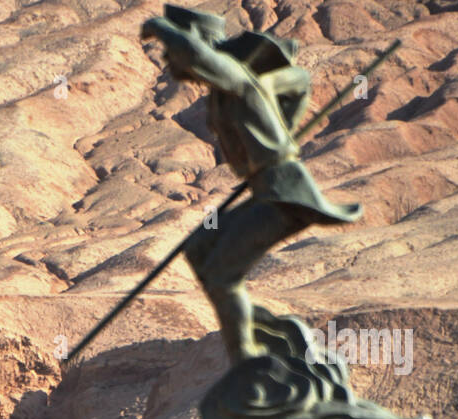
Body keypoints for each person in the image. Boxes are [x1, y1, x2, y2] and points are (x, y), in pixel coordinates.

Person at [139, 5, 361, 365]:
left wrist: (161, 28)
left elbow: (200, 55)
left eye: (171, 52)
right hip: (265, 188)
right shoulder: (222, 89)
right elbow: (299, 82)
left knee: (222, 275)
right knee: (199, 250)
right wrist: (282, 128)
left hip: (282, 192)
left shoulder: (236, 77)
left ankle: (248, 363)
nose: (168, 60)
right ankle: (280, 335)